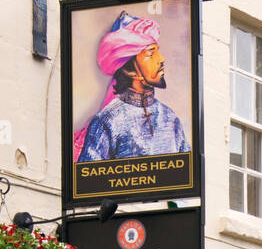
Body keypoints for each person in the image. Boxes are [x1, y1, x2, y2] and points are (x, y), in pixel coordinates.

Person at [74, 11, 190, 163]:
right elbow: (88, 179)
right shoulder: (108, 121)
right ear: (130, 70)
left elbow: (188, 174)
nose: (161, 59)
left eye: (158, 52)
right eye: (150, 54)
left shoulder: (171, 118)